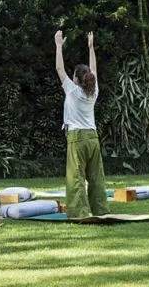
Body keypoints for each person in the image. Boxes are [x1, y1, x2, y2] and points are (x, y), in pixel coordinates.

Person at [54, 29, 108, 220]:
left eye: (73, 75)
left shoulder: (72, 91)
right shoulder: (94, 92)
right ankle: (100, 210)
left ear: (76, 78)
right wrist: (91, 47)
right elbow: (94, 70)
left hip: (76, 138)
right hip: (93, 138)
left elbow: (59, 69)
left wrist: (59, 45)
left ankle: (80, 213)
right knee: (96, 177)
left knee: (76, 176)